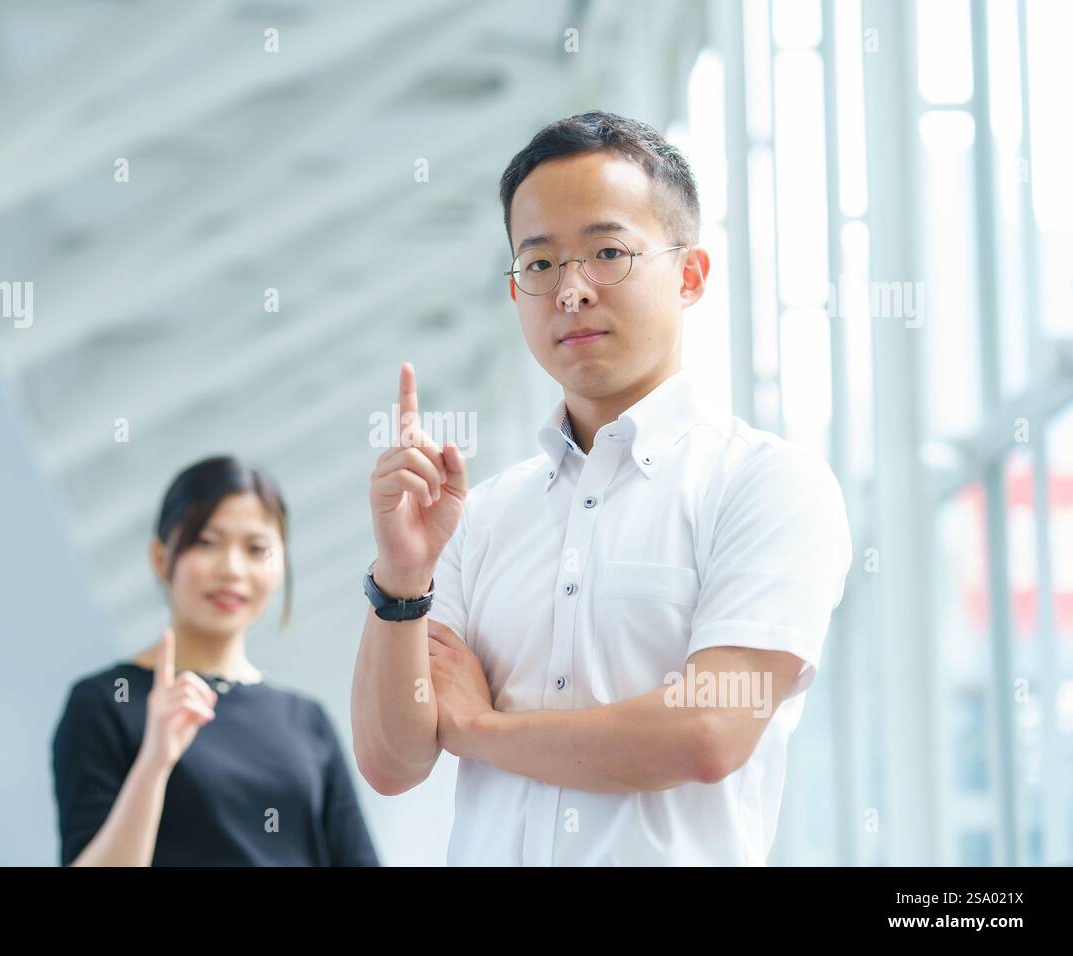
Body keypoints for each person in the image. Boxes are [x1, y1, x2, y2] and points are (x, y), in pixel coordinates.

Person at [351, 111, 853, 865]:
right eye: (540, 264)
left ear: (689, 275)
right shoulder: (476, 517)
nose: (571, 291)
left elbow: (709, 730)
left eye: (607, 252)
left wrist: (485, 731)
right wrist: (400, 578)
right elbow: (395, 762)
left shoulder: (767, 485)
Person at [53, 456, 379, 866]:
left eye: (257, 549)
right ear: (160, 557)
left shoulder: (306, 722)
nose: (231, 568)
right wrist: (155, 762)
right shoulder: (105, 704)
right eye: (206, 542)